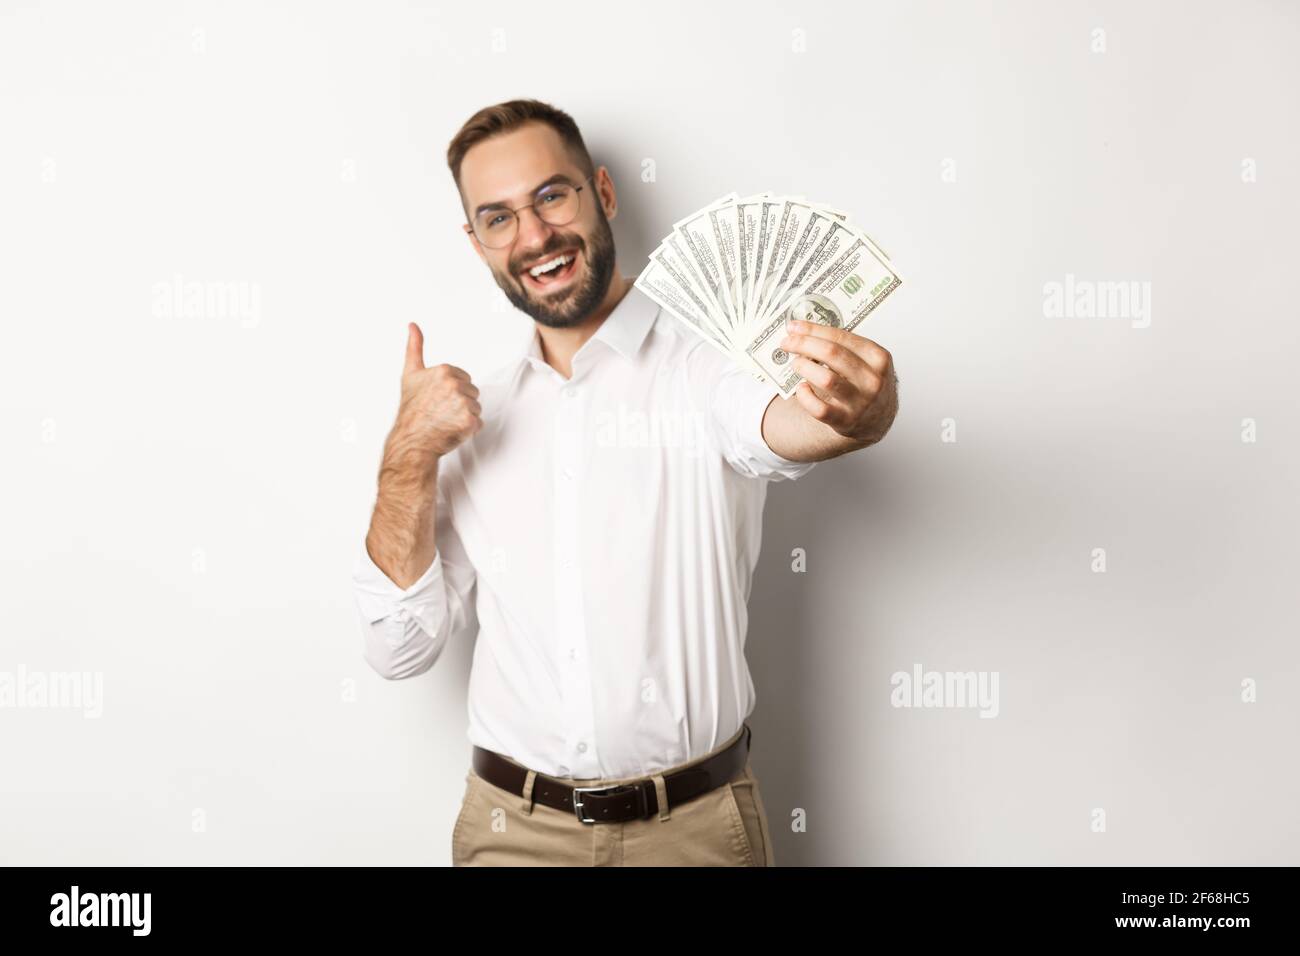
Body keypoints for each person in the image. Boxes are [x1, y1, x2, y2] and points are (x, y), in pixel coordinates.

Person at [351, 99, 899, 866]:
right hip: (512, 835)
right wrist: (407, 454)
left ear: (602, 193)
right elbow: (398, 648)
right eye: (499, 218)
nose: (534, 236)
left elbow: (782, 428)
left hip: (694, 834)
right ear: (476, 243)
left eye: (552, 195)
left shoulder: (706, 366)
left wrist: (857, 415)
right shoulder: (473, 421)